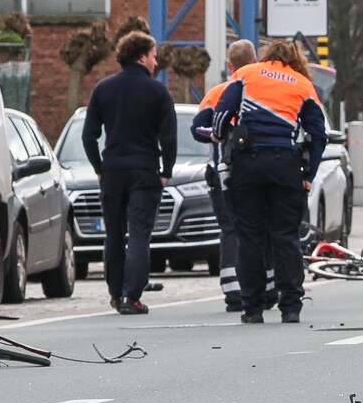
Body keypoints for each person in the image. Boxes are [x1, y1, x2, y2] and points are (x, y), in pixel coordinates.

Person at [208, 38, 327, 325]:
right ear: (295, 59)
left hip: (248, 163)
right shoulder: (303, 85)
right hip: (285, 164)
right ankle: (291, 306)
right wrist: (308, 176)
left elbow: (222, 114)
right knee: (285, 235)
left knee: (249, 236)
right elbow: (318, 136)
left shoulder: (246, 74)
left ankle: (253, 307)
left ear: (266, 55)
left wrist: (220, 135)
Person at [81, 30, 176, 315]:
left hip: (112, 171)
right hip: (145, 171)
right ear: (142, 56)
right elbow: (169, 138)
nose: (156, 63)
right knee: (138, 234)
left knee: (113, 233)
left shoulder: (103, 89)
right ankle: (131, 296)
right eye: (154, 56)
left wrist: (99, 168)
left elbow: (89, 136)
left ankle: (114, 292)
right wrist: (166, 171)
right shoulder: (158, 92)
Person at [191, 38, 258, 313]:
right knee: (256, 229)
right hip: (253, 170)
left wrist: (217, 136)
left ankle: (232, 290)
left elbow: (197, 129)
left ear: (229, 66)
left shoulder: (217, 92)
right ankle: (262, 285)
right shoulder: (261, 92)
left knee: (229, 229)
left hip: (222, 173)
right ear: (255, 62)